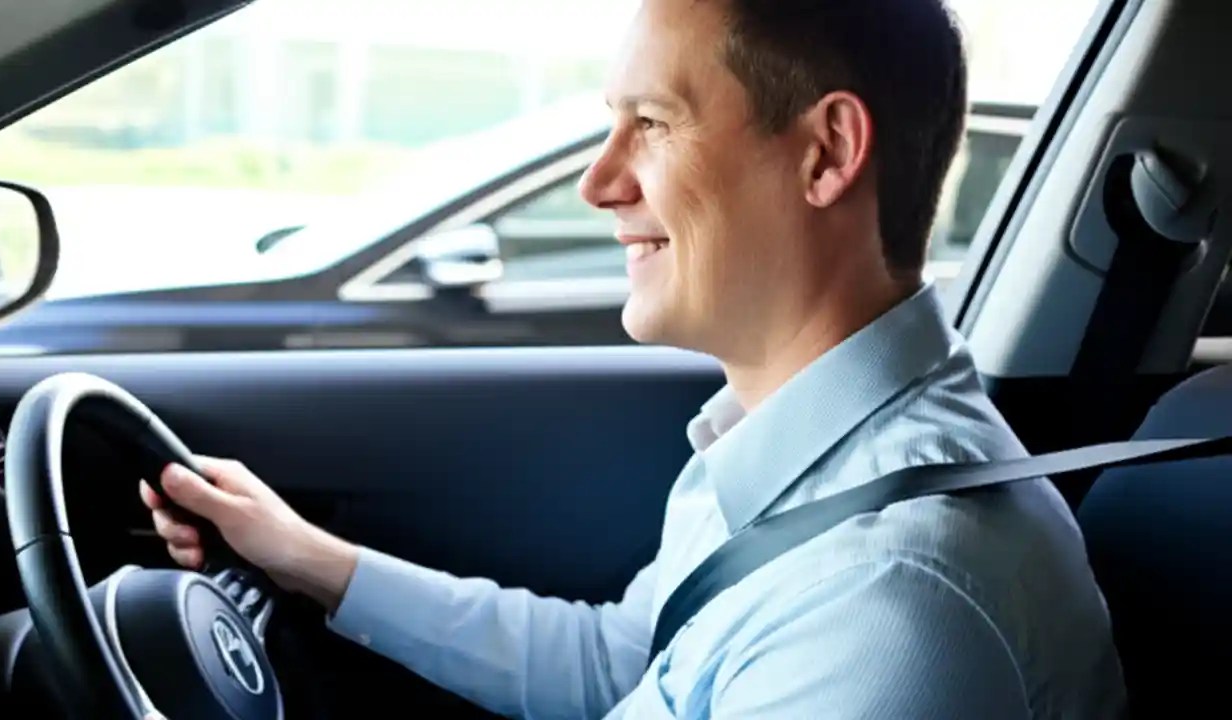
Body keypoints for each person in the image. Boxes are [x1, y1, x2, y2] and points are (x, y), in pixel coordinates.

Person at [140, 0, 1128, 717]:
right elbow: (625, 665)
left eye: (650, 123)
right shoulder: (784, 446)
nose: (595, 181)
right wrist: (308, 560)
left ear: (825, 153)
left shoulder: (888, 607)